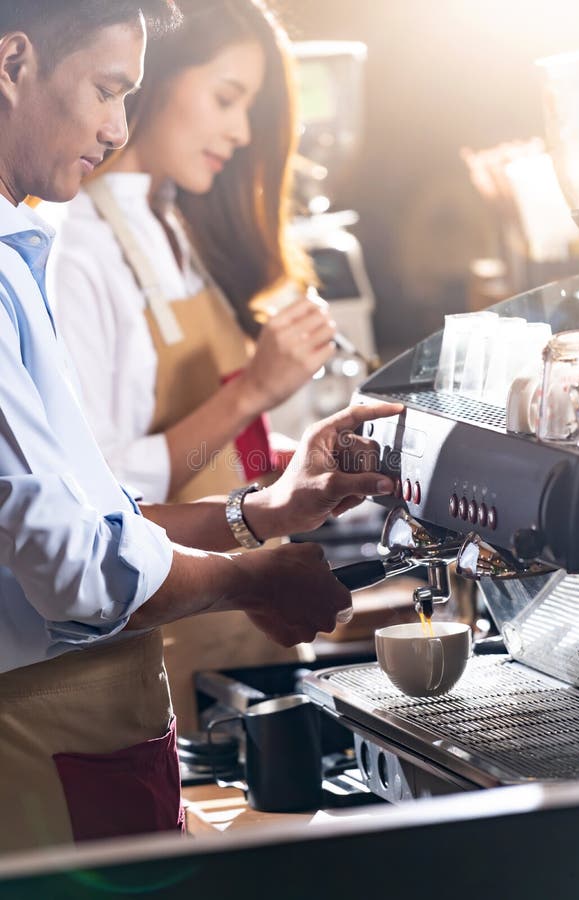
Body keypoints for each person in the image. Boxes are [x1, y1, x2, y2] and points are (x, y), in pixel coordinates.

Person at [0, 0, 399, 852]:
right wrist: (251, 572)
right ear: (13, 66)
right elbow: (79, 565)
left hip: (109, 711)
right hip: (49, 727)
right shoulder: (55, 248)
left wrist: (261, 511)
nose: (115, 126)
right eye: (109, 91)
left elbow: (93, 506)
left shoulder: (36, 248)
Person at [47, 0, 341, 730]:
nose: (240, 132)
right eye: (226, 98)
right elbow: (107, 493)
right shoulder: (77, 248)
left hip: (242, 611)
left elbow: (202, 449)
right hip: (171, 629)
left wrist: (281, 461)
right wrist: (253, 391)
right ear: (156, 77)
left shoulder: (173, 221)